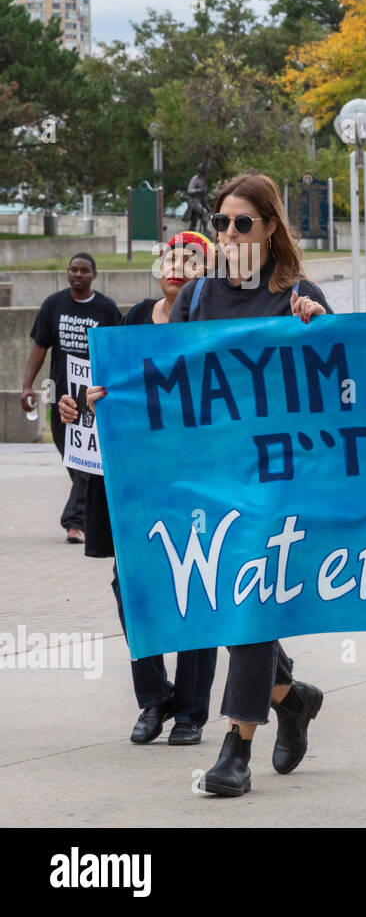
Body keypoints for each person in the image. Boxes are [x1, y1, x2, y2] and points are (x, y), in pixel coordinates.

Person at [169, 172, 332, 797]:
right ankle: (292, 698)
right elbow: (164, 375)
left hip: (277, 483)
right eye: (221, 222)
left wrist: (320, 329)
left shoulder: (298, 296)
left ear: (269, 227)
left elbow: (342, 386)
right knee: (217, 606)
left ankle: (236, 746)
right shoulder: (200, 297)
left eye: (243, 222)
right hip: (210, 481)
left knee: (250, 603)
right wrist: (100, 400)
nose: (229, 233)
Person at [58, 232, 219, 746]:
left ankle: (192, 712)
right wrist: (81, 401)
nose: (177, 264)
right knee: (130, 586)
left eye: (192, 258)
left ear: (206, 273)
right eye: (171, 254)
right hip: (136, 481)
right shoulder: (130, 320)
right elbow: (104, 388)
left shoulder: (213, 324)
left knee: (199, 586)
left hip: (198, 477)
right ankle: (154, 698)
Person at [20, 253, 121, 542]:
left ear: (94, 275)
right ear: (67, 273)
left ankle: (75, 521)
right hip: (59, 395)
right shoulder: (54, 304)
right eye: (74, 269)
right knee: (72, 459)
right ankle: (91, 515)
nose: (78, 274)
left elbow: (115, 352)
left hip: (91, 398)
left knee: (85, 460)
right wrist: (27, 385)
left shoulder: (106, 309)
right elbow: (40, 347)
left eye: (84, 270)